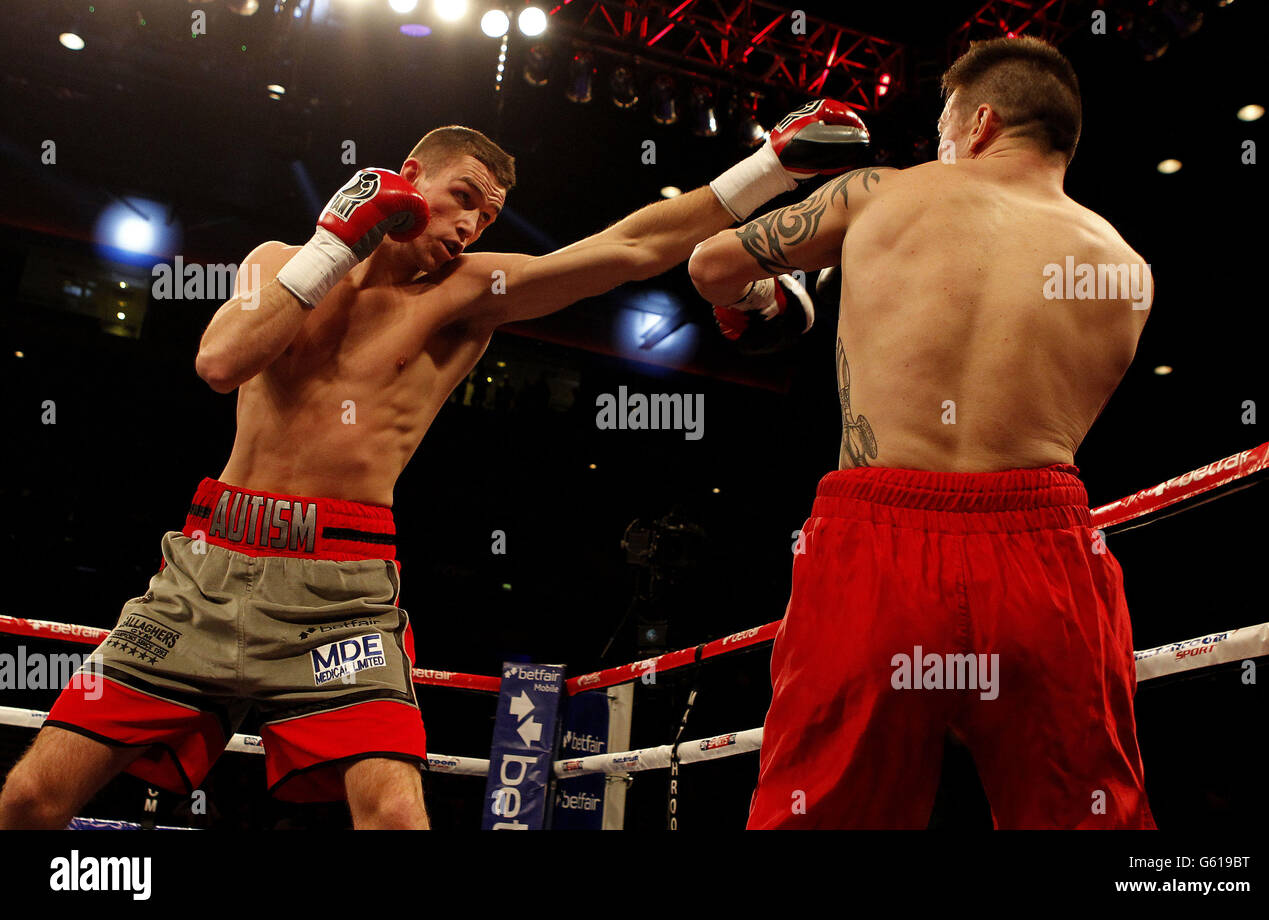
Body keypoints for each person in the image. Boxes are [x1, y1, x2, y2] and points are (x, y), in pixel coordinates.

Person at [0, 102, 870, 830]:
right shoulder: (278, 264)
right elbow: (220, 362)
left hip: (339, 594)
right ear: (405, 180)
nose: (468, 228)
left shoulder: (466, 297)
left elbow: (630, 248)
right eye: (461, 200)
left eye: (485, 218)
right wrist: (336, 241)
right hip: (203, 569)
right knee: (32, 797)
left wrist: (772, 166)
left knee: (394, 816)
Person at [690, 37, 1157, 828]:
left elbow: (709, 265)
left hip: (880, 543)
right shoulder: (1125, 268)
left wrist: (771, 302)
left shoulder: (883, 192)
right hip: (1048, 556)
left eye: (944, 125)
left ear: (979, 123)